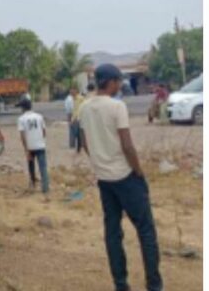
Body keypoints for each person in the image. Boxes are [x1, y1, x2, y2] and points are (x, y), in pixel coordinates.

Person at [78, 64, 162, 291]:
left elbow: (85, 143)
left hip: (105, 179)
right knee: (146, 231)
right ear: (112, 81)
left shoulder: (84, 108)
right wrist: (139, 171)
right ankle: (154, 285)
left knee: (113, 233)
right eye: (118, 81)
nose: (120, 85)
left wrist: (99, 162)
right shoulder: (117, 106)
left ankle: (121, 284)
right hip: (126, 177)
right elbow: (127, 145)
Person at [17, 99, 49, 196]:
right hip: (40, 145)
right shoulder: (39, 116)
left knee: (31, 166)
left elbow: (22, 136)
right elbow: (44, 132)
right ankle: (45, 188)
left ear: (23, 108)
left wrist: (26, 149)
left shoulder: (21, 119)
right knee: (43, 167)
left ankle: (32, 184)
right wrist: (39, 139)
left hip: (30, 146)